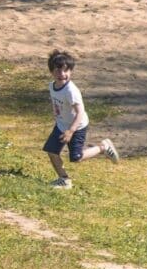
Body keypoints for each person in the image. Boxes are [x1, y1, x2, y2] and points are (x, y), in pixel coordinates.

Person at [43, 49, 118, 189]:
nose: (62, 74)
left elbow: (80, 112)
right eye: (58, 71)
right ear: (51, 72)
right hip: (61, 125)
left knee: (76, 157)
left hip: (77, 127)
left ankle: (103, 148)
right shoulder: (52, 86)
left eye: (66, 70)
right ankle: (64, 179)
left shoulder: (71, 91)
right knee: (52, 151)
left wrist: (71, 131)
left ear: (71, 71)